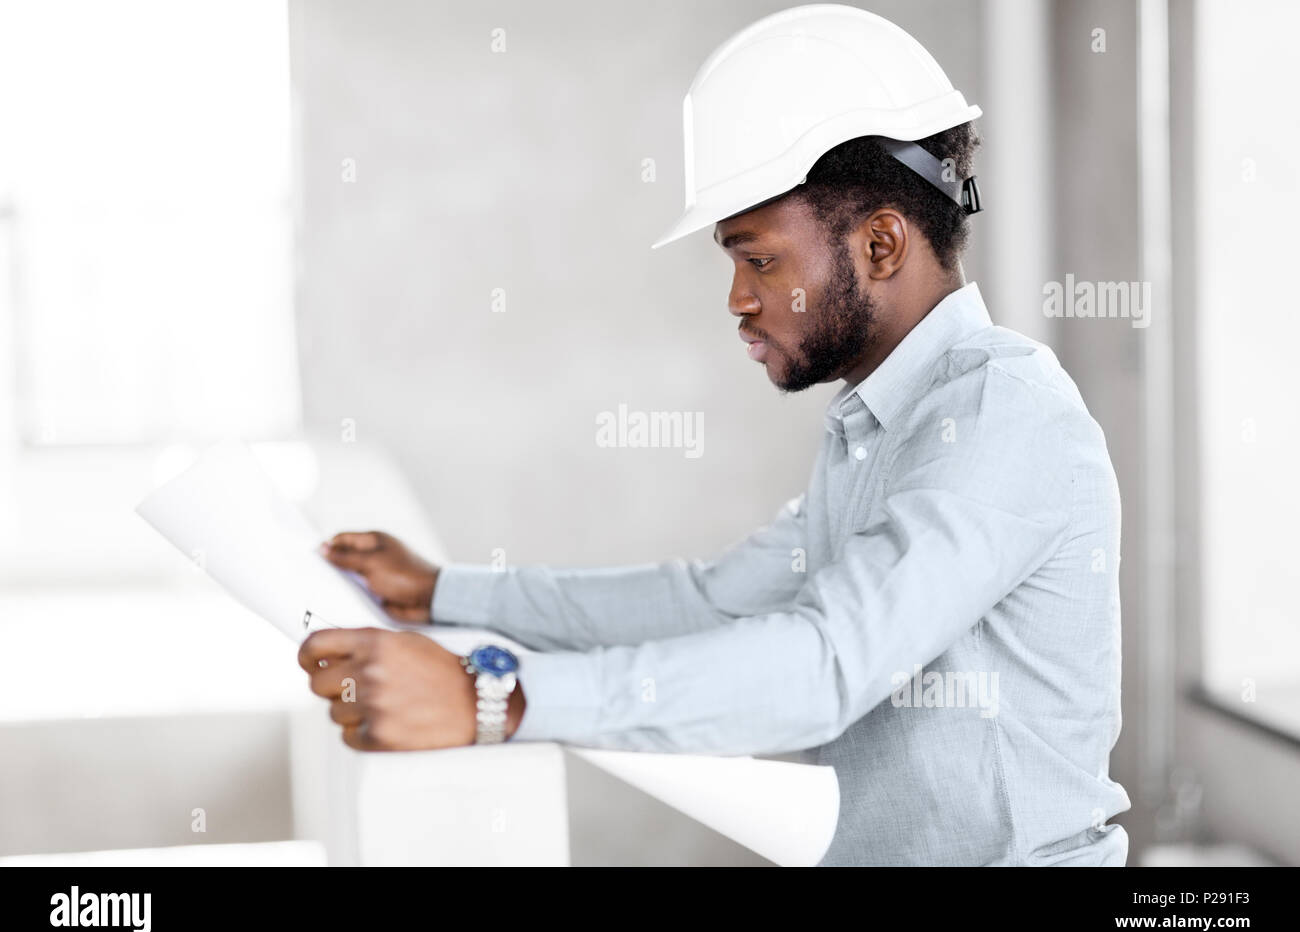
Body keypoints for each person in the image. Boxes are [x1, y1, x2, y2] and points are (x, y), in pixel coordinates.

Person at [298, 4, 1131, 866]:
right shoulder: (875, 428)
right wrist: (442, 592)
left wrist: (496, 698)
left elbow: (828, 666)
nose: (736, 298)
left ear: (882, 244)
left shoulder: (1004, 416)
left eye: (759, 259)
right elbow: (708, 602)